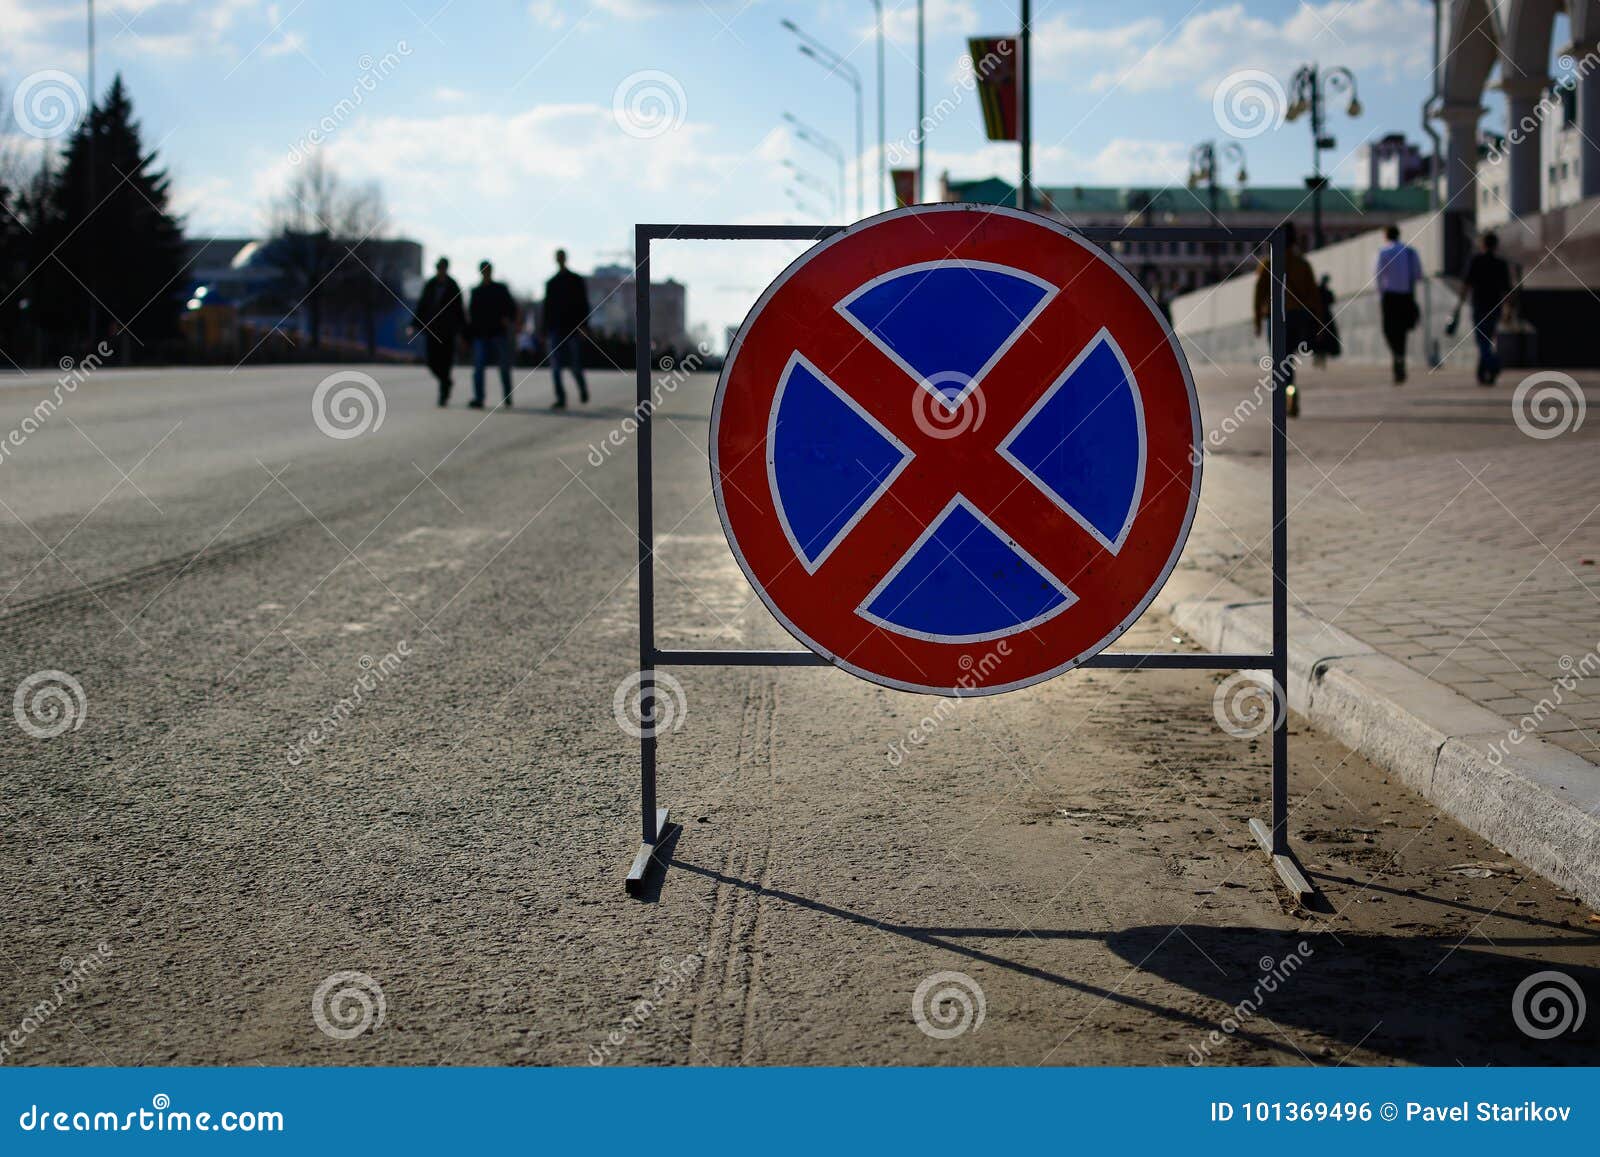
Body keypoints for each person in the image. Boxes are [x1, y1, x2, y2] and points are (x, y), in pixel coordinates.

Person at [1253, 224, 1323, 418]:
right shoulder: (1302, 264)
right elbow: (1314, 296)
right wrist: (1320, 322)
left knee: (1280, 360)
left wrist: (1257, 321)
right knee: (1288, 358)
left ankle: (1288, 392)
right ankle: (1290, 391)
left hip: (1276, 317)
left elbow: (1258, 295)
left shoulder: (1268, 264)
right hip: (1297, 317)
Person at [1454, 231, 1512, 385]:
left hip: (1479, 305)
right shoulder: (1501, 263)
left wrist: (1459, 304)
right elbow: (1507, 289)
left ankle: (1493, 364)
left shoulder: (1476, 260)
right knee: (1488, 339)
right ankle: (1483, 374)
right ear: (1496, 245)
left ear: (1482, 244)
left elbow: (1466, 284)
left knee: (1482, 340)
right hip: (1495, 306)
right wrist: (1508, 309)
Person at [412, 257, 466, 406]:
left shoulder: (453, 285)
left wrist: (463, 331)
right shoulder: (430, 284)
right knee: (432, 362)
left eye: (442, 268)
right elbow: (422, 305)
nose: (440, 270)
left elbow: (459, 309)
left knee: (446, 362)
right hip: (432, 329)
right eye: (438, 268)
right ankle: (446, 381)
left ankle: (443, 394)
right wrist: (414, 324)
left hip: (448, 331)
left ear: (446, 269)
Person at [542, 249, 591, 409]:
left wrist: (584, 325)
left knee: (574, 364)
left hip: (573, 328)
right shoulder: (552, 283)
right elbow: (547, 308)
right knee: (556, 366)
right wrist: (545, 329)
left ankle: (582, 389)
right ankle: (560, 398)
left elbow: (583, 304)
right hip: (556, 328)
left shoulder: (575, 280)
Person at [1375, 225, 1423, 383]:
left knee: (1388, 330)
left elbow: (1378, 276)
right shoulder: (1410, 252)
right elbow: (1418, 275)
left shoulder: (1383, 252)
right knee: (1402, 331)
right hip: (1406, 295)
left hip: (1390, 296)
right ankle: (1400, 356)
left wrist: (1381, 294)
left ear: (1386, 236)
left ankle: (1397, 355)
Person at [468, 260, 518, 409]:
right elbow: (472, 315)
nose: (486, 273)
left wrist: (508, 319)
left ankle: (507, 396)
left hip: (498, 333)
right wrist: (469, 336)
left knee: (504, 366)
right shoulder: (476, 292)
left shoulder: (500, 289)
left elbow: (512, 308)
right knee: (478, 367)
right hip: (481, 334)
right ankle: (479, 398)